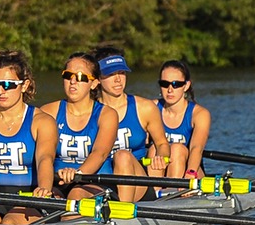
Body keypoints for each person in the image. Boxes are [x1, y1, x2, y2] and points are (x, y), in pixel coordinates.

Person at [0, 50, 58, 225]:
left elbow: (45, 159)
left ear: (24, 85)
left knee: (8, 224)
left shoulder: (42, 121)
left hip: (29, 198)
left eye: (8, 84)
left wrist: (44, 188)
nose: (1, 91)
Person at [38, 50, 119, 199]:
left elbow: (99, 153)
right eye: (68, 76)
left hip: (95, 182)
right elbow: (44, 156)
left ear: (94, 83)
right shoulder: (47, 112)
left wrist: (77, 174)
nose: (73, 82)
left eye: (81, 77)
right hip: (57, 183)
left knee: (76, 194)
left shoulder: (107, 115)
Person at [93, 45, 165, 203]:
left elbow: (162, 144)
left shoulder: (145, 108)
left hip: (138, 182)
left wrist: (161, 157)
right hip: (101, 181)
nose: (118, 79)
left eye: (122, 73)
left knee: (123, 156)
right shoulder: (89, 110)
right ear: (97, 79)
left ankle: (122, 216)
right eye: (111, 74)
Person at [156, 59, 212, 179]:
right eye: (165, 84)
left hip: (190, 170)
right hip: (158, 169)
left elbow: (196, 148)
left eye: (176, 84)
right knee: (152, 150)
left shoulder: (200, 114)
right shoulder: (150, 108)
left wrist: (190, 173)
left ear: (186, 86)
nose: (170, 89)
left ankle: (172, 192)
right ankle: (155, 193)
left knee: (176, 149)